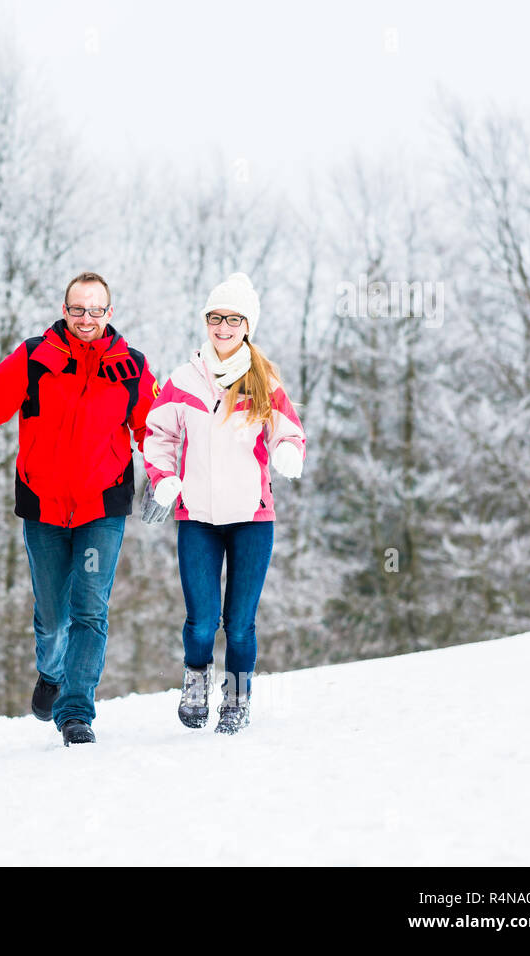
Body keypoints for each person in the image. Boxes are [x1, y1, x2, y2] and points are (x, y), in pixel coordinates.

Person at [0, 272, 162, 746]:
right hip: (43, 505)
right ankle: (50, 672)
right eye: (77, 309)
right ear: (64, 309)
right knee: (52, 617)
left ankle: (75, 713)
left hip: (102, 506)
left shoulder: (132, 366)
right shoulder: (34, 358)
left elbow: (154, 428)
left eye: (95, 310)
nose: (86, 318)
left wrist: (160, 476)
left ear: (109, 313)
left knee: (90, 610)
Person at [141, 273, 306, 735]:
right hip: (197, 518)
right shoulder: (182, 381)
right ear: (207, 322)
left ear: (247, 325)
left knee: (238, 625)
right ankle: (195, 683)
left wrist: (289, 451)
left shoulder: (264, 382)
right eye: (216, 318)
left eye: (233, 319)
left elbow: (289, 431)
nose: (223, 327)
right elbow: (158, 436)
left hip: (253, 519)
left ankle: (237, 699)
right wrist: (164, 478)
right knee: (200, 622)